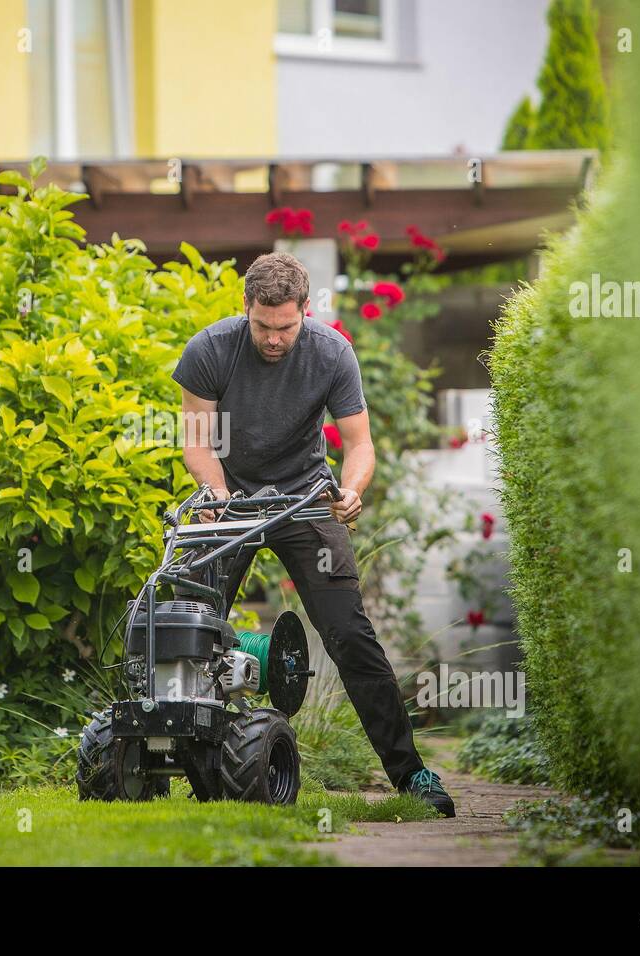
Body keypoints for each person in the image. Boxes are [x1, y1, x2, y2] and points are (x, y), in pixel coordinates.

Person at [171, 251, 455, 817]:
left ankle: (411, 773)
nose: (274, 339)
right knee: (189, 626)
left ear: (306, 309)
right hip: (231, 500)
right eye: (262, 326)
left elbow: (360, 444)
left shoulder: (332, 352)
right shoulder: (209, 349)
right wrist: (221, 498)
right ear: (245, 309)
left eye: (286, 327)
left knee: (350, 633)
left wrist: (351, 490)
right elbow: (197, 443)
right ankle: (180, 764)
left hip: (303, 499)